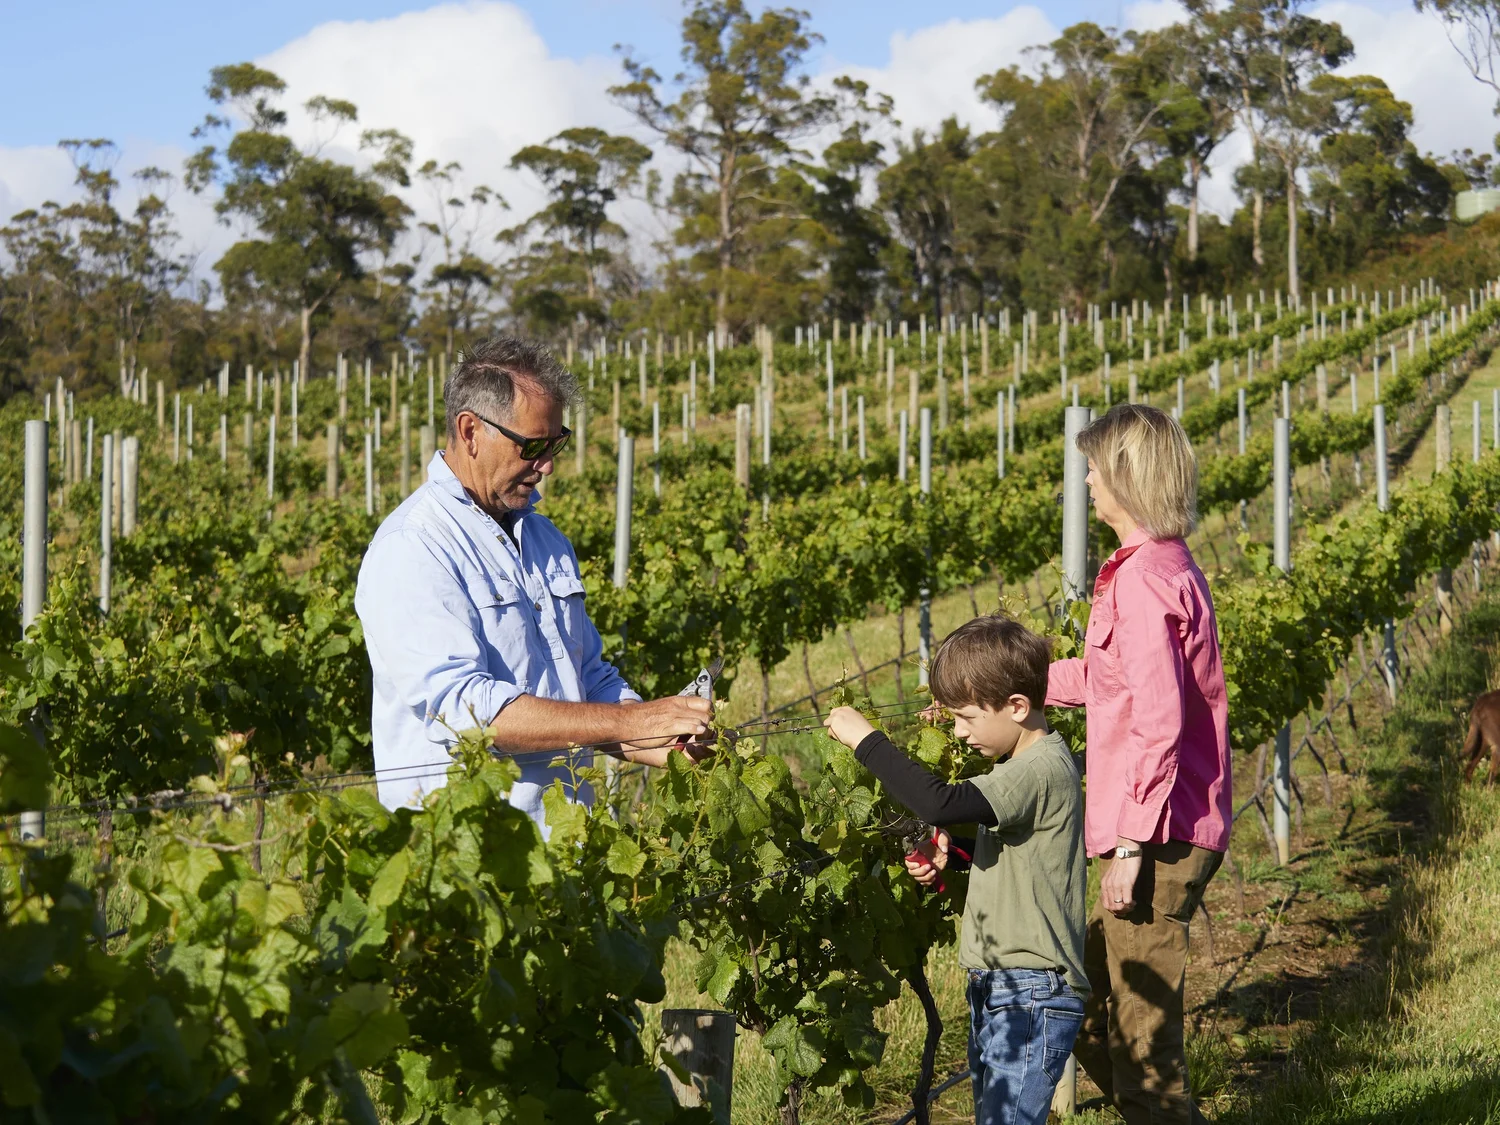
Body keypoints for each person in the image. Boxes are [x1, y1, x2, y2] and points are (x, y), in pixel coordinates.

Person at [355, 336, 711, 826]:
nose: (545, 466)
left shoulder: (545, 539)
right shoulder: (414, 547)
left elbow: (586, 679)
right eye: (533, 446)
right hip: (468, 860)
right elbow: (465, 711)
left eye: (556, 444)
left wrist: (661, 739)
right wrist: (631, 721)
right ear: (471, 431)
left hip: (564, 844)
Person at [824, 614, 1087, 1125]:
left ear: (1017, 706)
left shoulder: (1039, 768)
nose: (959, 733)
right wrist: (957, 852)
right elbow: (1019, 856)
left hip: (1031, 990)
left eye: (965, 718)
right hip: (1000, 984)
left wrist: (867, 741)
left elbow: (939, 803)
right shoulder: (1018, 769)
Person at [1046, 404, 1232, 1125]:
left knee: (1144, 1054)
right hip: (1162, 823)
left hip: (1157, 832)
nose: (1086, 479)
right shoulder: (1159, 564)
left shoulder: (1143, 580)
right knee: (1089, 1000)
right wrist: (1014, 685)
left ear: (1124, 476)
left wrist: (1129, 845)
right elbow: (1112, 679)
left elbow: (1158, 720)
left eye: (1094, 466)